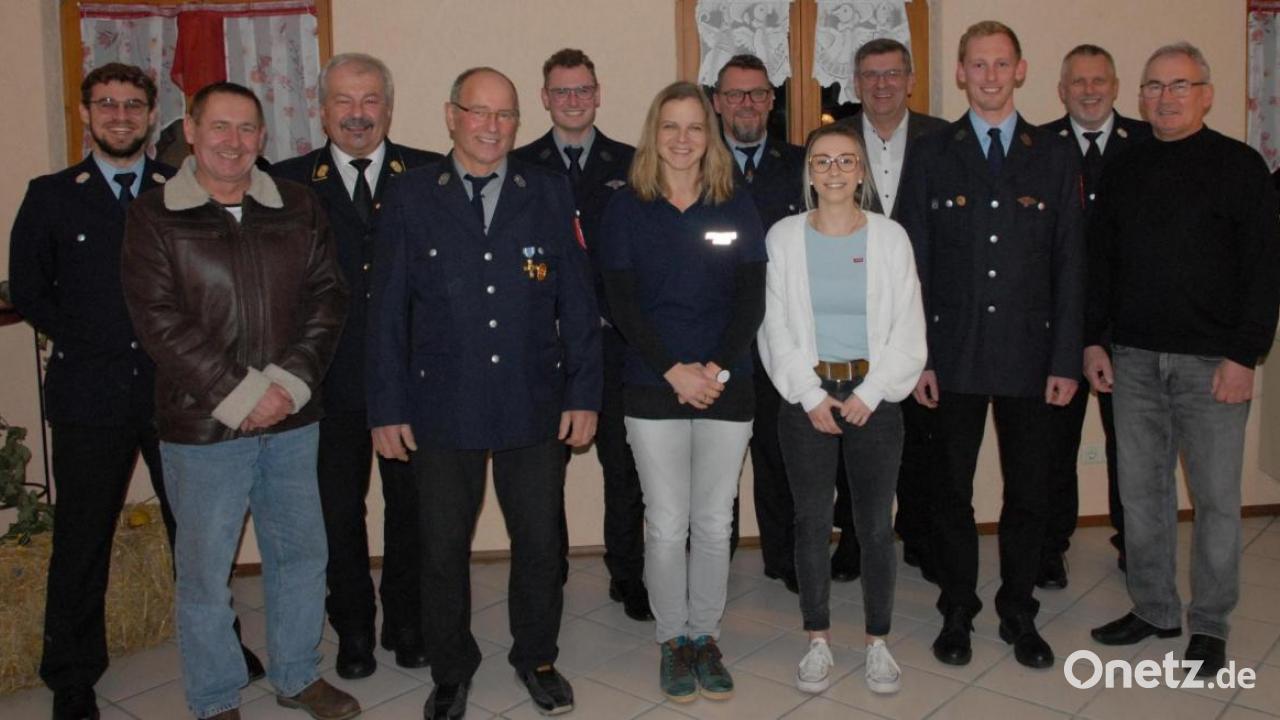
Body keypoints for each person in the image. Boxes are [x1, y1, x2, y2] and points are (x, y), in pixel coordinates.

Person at [7, 63, 260, 720]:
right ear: (87, 114)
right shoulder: (52, 195)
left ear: (152, 117)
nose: (120, 115)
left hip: (175, 395)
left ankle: (221, 649)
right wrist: (96, 342)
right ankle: (71, 674)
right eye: (106, 104)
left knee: (197, 535)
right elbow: (30, 290)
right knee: (81, 538)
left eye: (133, 105)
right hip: (89, 397)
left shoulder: (181, 190)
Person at [366, 67, 601, 719]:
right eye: (479, 112)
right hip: (441, 404)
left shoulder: (548, 192)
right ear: (451, 116)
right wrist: (386, 408)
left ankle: (537, 656)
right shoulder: (411, 196)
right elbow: (386, 312)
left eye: (505, 114)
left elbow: (577, 302)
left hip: (533, 400)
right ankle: (451, 667)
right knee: (441, 546)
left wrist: (584, 394)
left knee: (540, 541)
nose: (492, 126)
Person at [121, 82, 356, 720]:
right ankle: (216, 694)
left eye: (247, 128)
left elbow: (327, 298)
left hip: (292, 418)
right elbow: (160, 321)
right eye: (219, 127)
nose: (234, 141)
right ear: (190, 133)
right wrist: (244, 394)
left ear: (262, 137)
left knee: (301, 555)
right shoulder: (154, 215)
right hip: (202, 427)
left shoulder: (298, 206)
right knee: (204, 573)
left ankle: (297, 674)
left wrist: (288, 387)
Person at [1086, 42, 1280, 679]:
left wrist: (1244, 354)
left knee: (1219, 502)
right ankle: (1154, 608)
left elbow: (1263, 271)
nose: (1163, 98)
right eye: (1153, 86)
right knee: (1141, 496)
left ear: (1206, 93)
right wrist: (1095, 339)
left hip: (1213, 366)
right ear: (1139, 95)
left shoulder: (1241, 166)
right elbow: (1101, 264)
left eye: (1178, 86)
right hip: (1135, 360)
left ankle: (1212, 626)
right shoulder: (1123, 166)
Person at [897, 20, 1084, 670]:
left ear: (1021, 70)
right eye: (978, 65)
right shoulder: (932, 152)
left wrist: (1066, 359)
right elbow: (911, 259)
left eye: (1001, 64)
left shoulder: (1054, 155)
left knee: (1030, 493)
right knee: (950, 492)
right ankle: (957, 609)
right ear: (960, 73)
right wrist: (916, 354)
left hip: (1033, 357)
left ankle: (1018, 610)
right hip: (951, 355)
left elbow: (1071, 262)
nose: (990, 76)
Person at [272, 52, 441, 679]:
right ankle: (353, 631)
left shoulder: (428, 173)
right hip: (326, 381)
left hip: (411, 379)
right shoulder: (285, 182)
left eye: (370, 100)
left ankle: (407, 622)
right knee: (337, 514)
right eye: (343, 101)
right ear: (321, 109)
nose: (357, 114)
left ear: (389, 108)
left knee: (413, 511)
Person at [599, 81, 765, 703]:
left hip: (729, 384)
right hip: (651, 382)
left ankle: (705, 635)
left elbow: (751, 298)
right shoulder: (626, 206)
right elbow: (620, 301)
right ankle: (674, 641)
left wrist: (714, 370)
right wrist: (674, 370)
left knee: (714, 521)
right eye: (671, 126)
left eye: (695, 126)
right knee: (667, 523)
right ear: (653, 132)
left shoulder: (735, 204)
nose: (683, 138)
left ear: (710, 134)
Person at [758, 122, 926, 695]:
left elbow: (909, 328)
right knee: (810, 523)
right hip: (805, 398)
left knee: (875, 525)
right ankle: (818, 640)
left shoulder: (890, 238)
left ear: (862, 172)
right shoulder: (782, 238)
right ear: (809, 173)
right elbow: (774, 326)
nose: (833, 171)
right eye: (822, 161)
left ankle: (878, 642)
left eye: (845, 161)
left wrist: (869, 395)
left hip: (873, 398)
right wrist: (809, 396)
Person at [512, 48, 650, 621]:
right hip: (543, 344)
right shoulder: (516, 164)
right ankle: (552, 571)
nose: (573, 100)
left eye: (582, 90)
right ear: (544, 98)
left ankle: (629, 573)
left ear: (598, 95)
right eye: (561, 91)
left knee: (624, 466)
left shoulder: (634, 162)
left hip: (616, 342)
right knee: (544, 471)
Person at [831, 37, 947, 584]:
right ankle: (854, 540)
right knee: (856, 437)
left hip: (926, 308)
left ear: (911, 78)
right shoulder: (831, 140)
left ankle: (921, 534)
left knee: (922, 437)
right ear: (855, 83)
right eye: (870, 75)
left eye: (892, 73)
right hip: (853, 316)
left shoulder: (943, 139)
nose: (881, 84)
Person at [1038, 44, 1152, 587]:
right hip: (1056, 329)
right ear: (1062, 90)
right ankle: (1049, 547)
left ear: (1116, 85)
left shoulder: (1149, 143)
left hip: (1128, 329)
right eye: (1077, 82)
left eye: (1099, 80)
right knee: (1052, 449)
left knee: (1133, 448)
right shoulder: (1037, 146)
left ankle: (1136, 544)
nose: (1089, 90)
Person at [711, 53, 804, 592]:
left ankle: (784, 558)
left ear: (772, 101)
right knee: (719, 461)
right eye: (734, 94)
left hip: (783, 334)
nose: (746, 104)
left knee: (778, 452)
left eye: (757, 94)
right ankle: (712, 563)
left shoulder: (800, 164)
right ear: (718, 102)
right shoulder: (696, 163)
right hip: (717, 337)